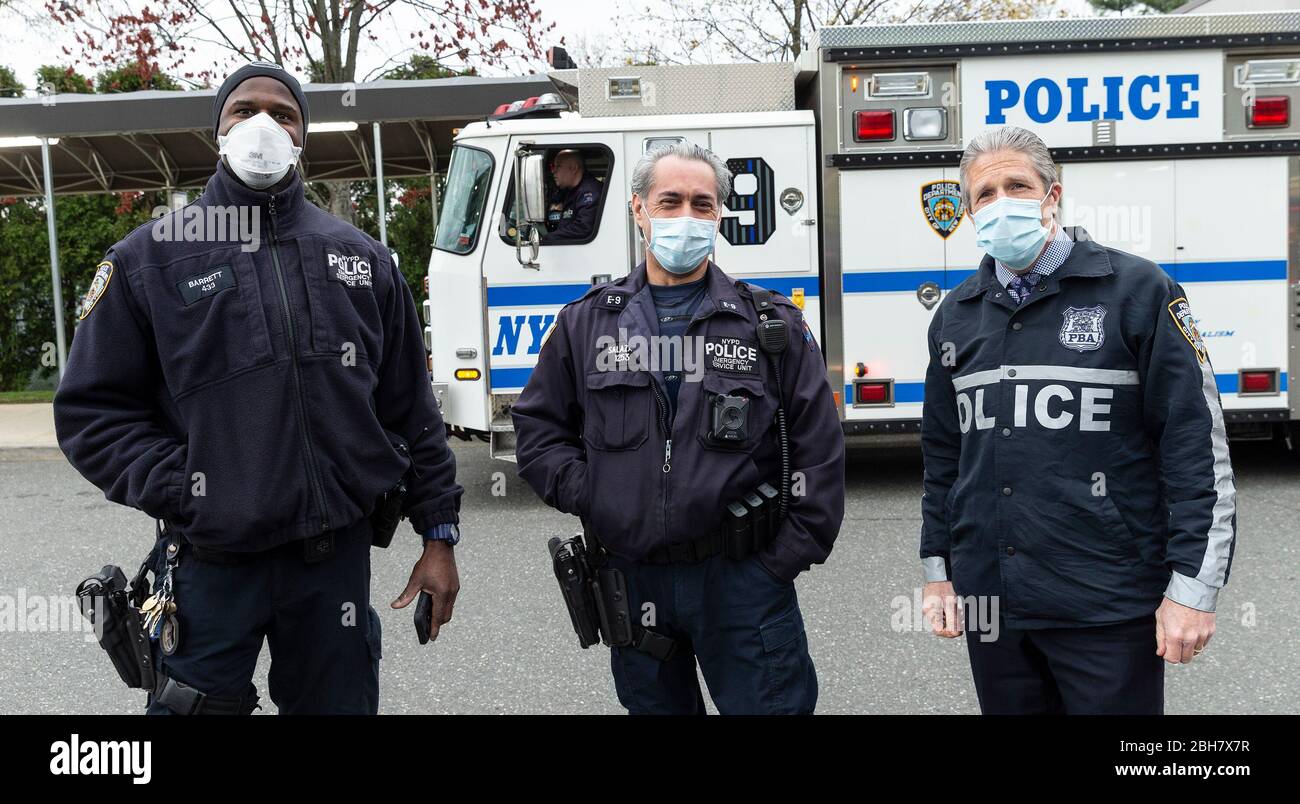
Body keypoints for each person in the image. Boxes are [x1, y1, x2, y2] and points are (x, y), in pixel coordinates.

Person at [53, 61, 464, 715]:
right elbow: (91, 414)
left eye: (285, 112)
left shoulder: (362, 260)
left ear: (303, 135)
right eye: (245, 110)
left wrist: (438, 537)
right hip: (211, 562)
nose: (264, 123)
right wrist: (188, 489)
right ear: (217, 131)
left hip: (333, 567)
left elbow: (411, 410)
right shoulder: (148, 261)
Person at [512, 142, 845, 715]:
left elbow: (820, 453)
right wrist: (597, 496)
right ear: (639, 209)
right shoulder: (586, 323)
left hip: (742, 581)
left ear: (719, 216)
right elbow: (539, 431)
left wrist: (779, 563)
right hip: (631, 578)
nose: (686, 217)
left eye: (702, 203)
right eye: (670, 201)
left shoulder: (771, 325)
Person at [919, 125, 1237, 715]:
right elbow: (943, 460)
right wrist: (940, 572)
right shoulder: (955, 317)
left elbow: (1195, 446)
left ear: (1053, 195)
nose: (1000, 202)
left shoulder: (1139, 291)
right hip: (995, 608)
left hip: (1107, 603)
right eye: (983, 195)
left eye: (1018, 185)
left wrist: (1194, 588)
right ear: (967, 212)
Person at [539, 149, 602, 243]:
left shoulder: (590, 191)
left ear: (574, 168)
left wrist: (547, 239)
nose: (553, 171)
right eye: (553, 166)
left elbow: (584, 228)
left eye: (558, 166)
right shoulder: (569, 191)